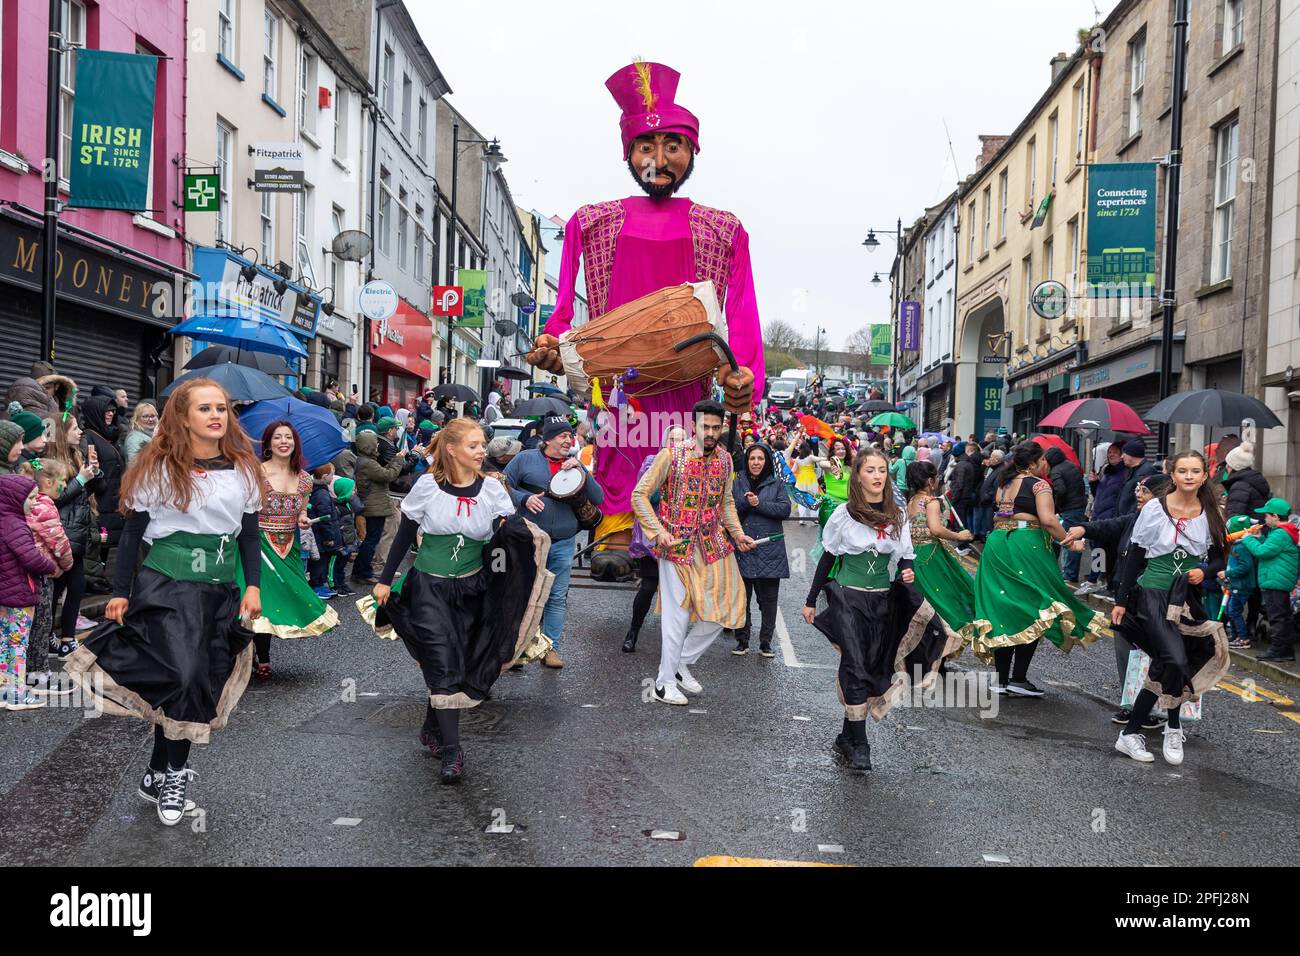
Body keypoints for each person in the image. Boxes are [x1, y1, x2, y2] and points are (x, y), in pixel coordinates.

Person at [526, 61, 763, 582]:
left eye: (672, 147)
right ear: (629, 154)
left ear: (692, 152)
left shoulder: (724, 229)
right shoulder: (592, 219)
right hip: (619, 375)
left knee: (684, 450)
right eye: (646, 148)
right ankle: (614, 526)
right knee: (618, 439)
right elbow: (564, 304)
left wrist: (743, 374)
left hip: (690, 372)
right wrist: (554, 334)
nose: (659, 160)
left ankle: (685, 533)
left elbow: (742, 311)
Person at [65, 379, 263, 825]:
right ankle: (175, 773)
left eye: (222, 408)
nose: (216, 415)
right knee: (184, 673)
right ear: (183, 416)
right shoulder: (157, 466)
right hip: (167, 584)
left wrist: (252, 585)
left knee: (193, 681)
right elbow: (133, 533)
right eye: (205, 408)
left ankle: (157, 771)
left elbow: (249, 533)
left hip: (219, 590)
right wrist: (119, 592)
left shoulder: (244, 469)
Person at [372, 418, 543, 784]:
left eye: (483, 444)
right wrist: (385, 582)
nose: (482, 451)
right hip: (428, 588)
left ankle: (433, 728)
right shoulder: (427, 487)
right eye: (473, 445)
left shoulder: (494, 491)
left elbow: (505, 542)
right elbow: (404, 535)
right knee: (442, 660)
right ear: (451, 449)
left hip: (472, 589)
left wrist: (507, 579)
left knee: (462, 662)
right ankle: (453, 749)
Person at [802, 448, 955, 773]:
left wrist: (908, 571)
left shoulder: (897, 516)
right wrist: (811, 599)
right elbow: (828, 558)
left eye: (881, 470)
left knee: (870, 666)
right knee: (855, 665)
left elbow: (906, 557)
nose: (876, 476)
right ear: (858, 476)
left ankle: (847, 737)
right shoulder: (843, 514)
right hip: (847, 599)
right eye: (869, 470)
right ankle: (862, 746)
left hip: (882, 602)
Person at [631, 400, 756, 705]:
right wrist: (658, 531)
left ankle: (678, 664)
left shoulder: (726, 461)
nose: (710, 432)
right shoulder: (672, 455)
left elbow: (726, 502)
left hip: (713, 543)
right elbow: (640, 494)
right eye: (705, 426)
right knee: (678, 615)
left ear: (722, 427)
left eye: (716, 427)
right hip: (676, 544)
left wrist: (738, 534)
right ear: (694, 426)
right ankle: (662, 683)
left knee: (729, 607)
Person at [1111, 451, 1230, 765]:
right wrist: (1121, 601)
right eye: (1182, 471)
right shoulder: (1154, 508)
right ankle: (1173, 725)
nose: (1189, 476)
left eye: (1195, 471)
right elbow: (1135, 555)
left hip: (1188, 597)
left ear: (1205, 476)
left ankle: (1131, 733)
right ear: (1173, 475)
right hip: (1153, 593)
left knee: (1175, 661)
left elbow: (1220, 557)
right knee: (1174, 659)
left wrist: (1204, 572)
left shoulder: (1212, 512)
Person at [972, 441, 1106, 696]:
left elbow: (998, 516)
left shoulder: (1003, 483)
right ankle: (1018, 678)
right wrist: (1070, 541)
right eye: (1042, 459)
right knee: (1036, 605)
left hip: (997, 544)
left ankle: (1001, 680)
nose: (1044, 464)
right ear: (1034, 462)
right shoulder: (1039, 484)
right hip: (1026, 545)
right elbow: (1049, 520)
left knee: (1004, 608)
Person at [1063, 473, 1173, 728]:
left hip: (1153, 597)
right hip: (1126, 596)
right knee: (1126, 653)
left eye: (1143, 490)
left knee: (1150, 654)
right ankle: (1131, 705)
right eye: (1137, 488)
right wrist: (1084, 528)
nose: (1137, 494)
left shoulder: (1167, 523)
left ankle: (1152, 709)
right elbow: (1111, 525)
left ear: (1159, 495)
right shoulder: (1137, 517)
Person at [236, 421, 339, 677]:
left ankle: (259, 655)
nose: (284, 442)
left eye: (288, 438)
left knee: (279, 602)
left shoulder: (304, 479)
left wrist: (303, 516)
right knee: (260, 600)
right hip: (258, 543)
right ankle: (256, 658)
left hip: (288, 546)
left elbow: (302, 508)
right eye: (278, 438)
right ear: (269, 444)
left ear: (295, 443)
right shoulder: (256, 472)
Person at [503, 418, 605, 669]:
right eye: (562, 436)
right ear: (547, 439)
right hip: (529, 540)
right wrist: (523, 498)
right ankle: (518, 649)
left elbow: (599, 497)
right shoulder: (525, 459)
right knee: (524, 594)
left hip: (563, 541)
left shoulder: (574, 464)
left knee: (556, 598)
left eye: (570, 436)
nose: (568, 440)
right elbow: (501, 485)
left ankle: (550, 649)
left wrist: (581, 469)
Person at [623, 425, 688, 653]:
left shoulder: (691, 465)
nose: (676, 443)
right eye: (672, 438)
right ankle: (633, 632)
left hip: (679, 536)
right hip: (654, 535)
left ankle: (673, 643)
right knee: (649, 586)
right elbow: (645, 494)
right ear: (664, 440)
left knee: (676, 592)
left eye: (680, 439)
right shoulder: (652, 462)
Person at [905, 460, 981, 648]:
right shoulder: (932, 502)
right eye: (936, 478)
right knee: (945, 599)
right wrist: (958, 535)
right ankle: (942, 646)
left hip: (914, 553)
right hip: (931, 555)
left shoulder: (912, 501)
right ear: (931, 481)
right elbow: (936, 530)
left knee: (923, 600)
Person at [0, 474, 58, 710]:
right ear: (16, 499)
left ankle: (4, 689)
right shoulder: (16, 524)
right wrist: (50, 566)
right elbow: (30, 558)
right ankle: (17, 694)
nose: (35, 503)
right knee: (18, 644)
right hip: (20, 595)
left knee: (3, 643)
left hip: (4, 594)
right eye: (31, 498)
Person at [17, 459, 74, 694]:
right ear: (49, 482)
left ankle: (26, 671)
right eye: (63, 482)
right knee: (42, 622)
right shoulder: (44, 505)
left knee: (29, 624)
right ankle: (38, 674)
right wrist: (66, 563)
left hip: (23, 571)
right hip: (42, 572)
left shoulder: (27, 502)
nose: (65, 486)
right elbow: (57, 541)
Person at [732, 443, 791, 656]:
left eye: (760, 459)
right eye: (752, 459)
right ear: (747, 461)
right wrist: (747, 504)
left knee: (768, 600)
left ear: (766, 461)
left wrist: (759, 504)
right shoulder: (738, 482)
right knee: (741, 598)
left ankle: (766, 642)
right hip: (744, 546)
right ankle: (742, 640)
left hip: (769, 548)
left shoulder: (776, 484)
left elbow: (785, 509)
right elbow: (731, 509)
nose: (756, 463)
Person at [1240, 497, 1299, 662]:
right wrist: (1259, 537)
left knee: (1277, 617)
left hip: (1275, 581)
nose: (1264, 519)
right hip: (1279, 580)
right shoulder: (1284, 532)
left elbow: (1262, 552)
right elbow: (1270, 549)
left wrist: (1248, 538)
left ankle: (1277, 651)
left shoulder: (1280, 533)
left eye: (1266, 515)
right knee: (1284, 616)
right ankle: (1286, 651)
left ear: (1276, 517)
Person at [79, 394, 125, 593]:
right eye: (106, 410)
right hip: (100, 502)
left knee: (106, 543)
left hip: (113, 503)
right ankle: (93, 582)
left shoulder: (108, 436)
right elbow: (89, 467)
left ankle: (99, 579)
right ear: (95, 413)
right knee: (101, 540)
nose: (110, 414)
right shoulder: (88, 437)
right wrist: (101, 482)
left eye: (113, 410)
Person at [351, 430, 408, 584]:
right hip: (374, 506)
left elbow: (382, 472)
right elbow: (388, 476)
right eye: (374, 442)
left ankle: (360, 571)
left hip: (372, 504)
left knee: (370, 539)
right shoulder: (368, 463)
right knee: (371, 541)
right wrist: (400, 459)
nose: (377, 444)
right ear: (369, 445)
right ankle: (363, 573)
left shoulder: (365, 460)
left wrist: (396, 458)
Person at [1078, 441, 1127, 597]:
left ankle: (1098, 580)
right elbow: (1100, 494)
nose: (1111, 454)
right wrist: (1094, 483)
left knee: (1106, 552)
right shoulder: (1107, 471)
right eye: (1109, 452)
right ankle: (1096, 578)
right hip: (1099, 516)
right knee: (1097, 549)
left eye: (1114, 452)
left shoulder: (1125, 473)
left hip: (1110, 520)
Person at [1044, 445, 1088, 584]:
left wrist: (1057, 505)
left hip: (1069, 509)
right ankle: (1069, 572)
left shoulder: (1057, 470)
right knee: (1072, 538)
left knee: (1065, 539)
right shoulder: (1071, 465)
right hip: (1079, 506)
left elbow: (1061, 490)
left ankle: (1068, 573)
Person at [1221, 515, 1258, 651]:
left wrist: (1227, 573)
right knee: (1229, 610)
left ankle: (1243, 638)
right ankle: (1236, 635)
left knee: (1234, 611)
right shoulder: (1236, 545)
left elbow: (1245, 566)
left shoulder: (1242, 547)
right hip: (1235, 584)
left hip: (1242, 586)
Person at [308, 464, 343, 599]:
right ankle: (317, 586)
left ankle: (319, 585)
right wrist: (329, 537)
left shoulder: (315, 490)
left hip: (317, 533)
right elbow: (325, 517)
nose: (333, 477)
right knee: (320, 561)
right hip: (322, 536)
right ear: (324, 477)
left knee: (320, 560)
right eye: (331, 474)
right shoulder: (322, 494)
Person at [1222, 442, 1271, 519]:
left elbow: (1235, 519)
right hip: (1257, 528)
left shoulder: (1239, 486)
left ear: (1234, 467)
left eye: (1228, 466)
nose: (1227, 469)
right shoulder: (1253, 480)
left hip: (1246, 530)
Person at [1116, 439, 1158, 516]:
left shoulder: (1147, 471)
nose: (1122, 457)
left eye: (1124, 453)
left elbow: (1142, 498)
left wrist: (1130, 517)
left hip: (1132, 519)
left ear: (1131, 454)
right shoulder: (1131, 470)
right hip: (1124, 519)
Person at [972, 447, 1003, 541]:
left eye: (992, 457)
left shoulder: (1000, 470)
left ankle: (988, 539)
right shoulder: (992, 468)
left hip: (989, 502)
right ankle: (983, 536)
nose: (990, 459)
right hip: (986, 500)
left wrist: (987, 496)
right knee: (985, 521)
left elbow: (996, 487)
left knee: (989, 523)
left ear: (997, 460)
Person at [123, 402, 159, 467]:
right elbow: (134, 466)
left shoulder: (155, 435)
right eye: (145, 416)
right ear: (137, 419)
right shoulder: (134, 438)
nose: (150, 419)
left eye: (153, 416)